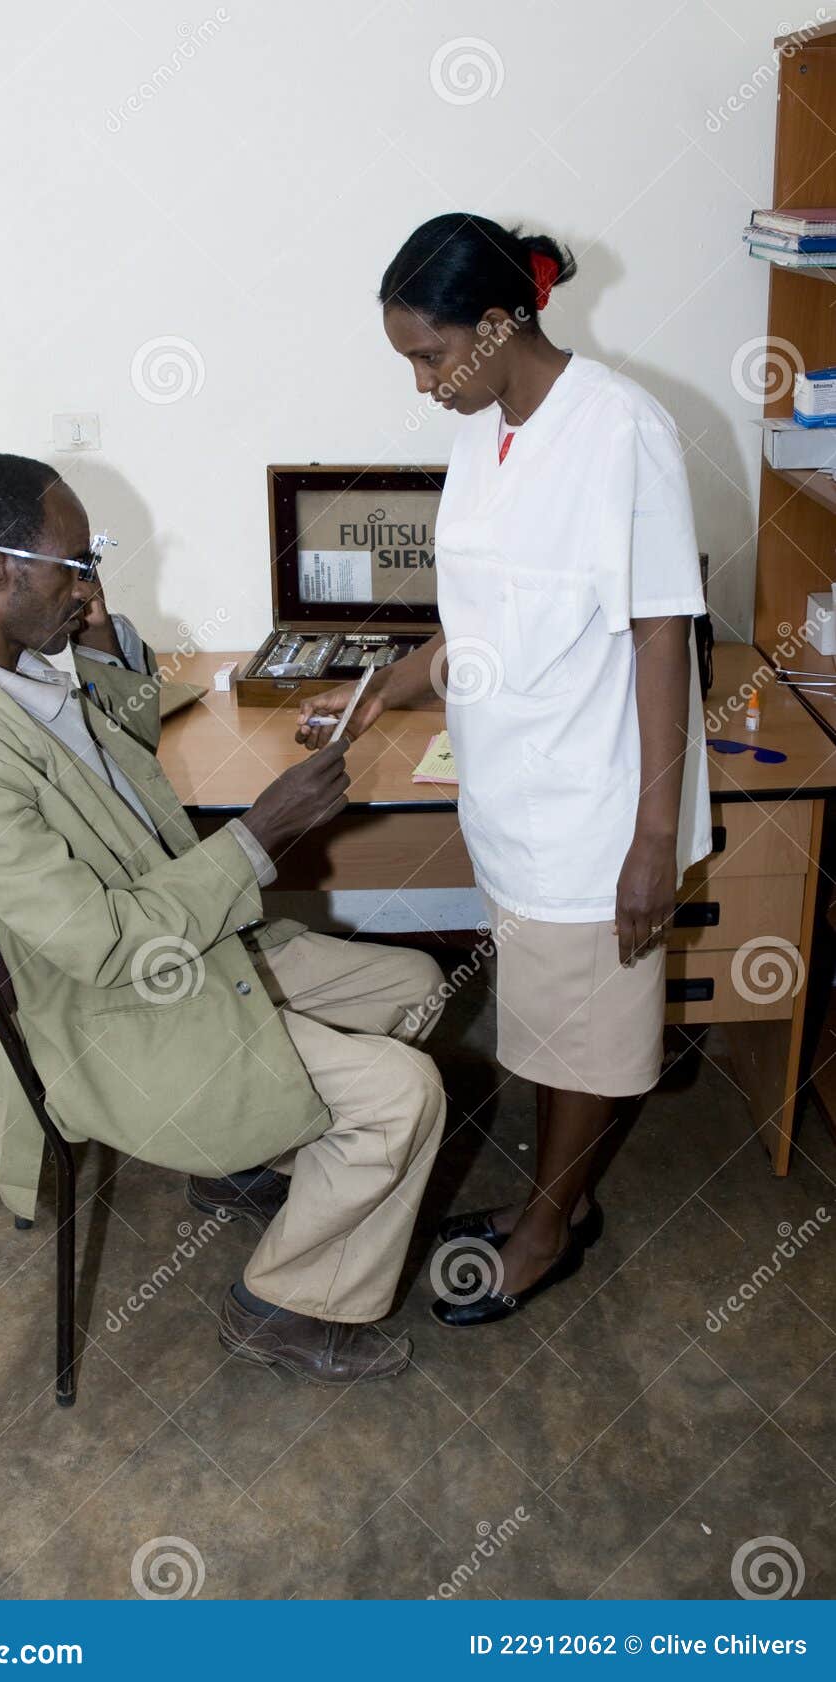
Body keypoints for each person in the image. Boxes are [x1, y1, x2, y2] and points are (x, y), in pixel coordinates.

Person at [0, 453, 448, 1383]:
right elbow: (107, 944)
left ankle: (247, 1166)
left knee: (419, 986)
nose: (90, 585)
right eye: (74, 565)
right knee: (405, 1095)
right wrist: (261, 836)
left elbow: (120, 760)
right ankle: (281, 1304)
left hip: (177, 954)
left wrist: (106, 653)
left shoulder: (14, 667)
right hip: (117, 1015)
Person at [298, 215, 712, 1329]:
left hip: (596, 810)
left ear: (495, 324)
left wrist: (648, 839)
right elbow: (483, 620)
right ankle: (555, 1197)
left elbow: (661, 634)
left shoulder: (621, 428)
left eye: (430, 356)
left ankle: (546, 1232)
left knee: (586, 1040)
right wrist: (394, 679)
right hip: (512, 805)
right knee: (542, 1027)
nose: (424, 383)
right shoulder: (483, 432)